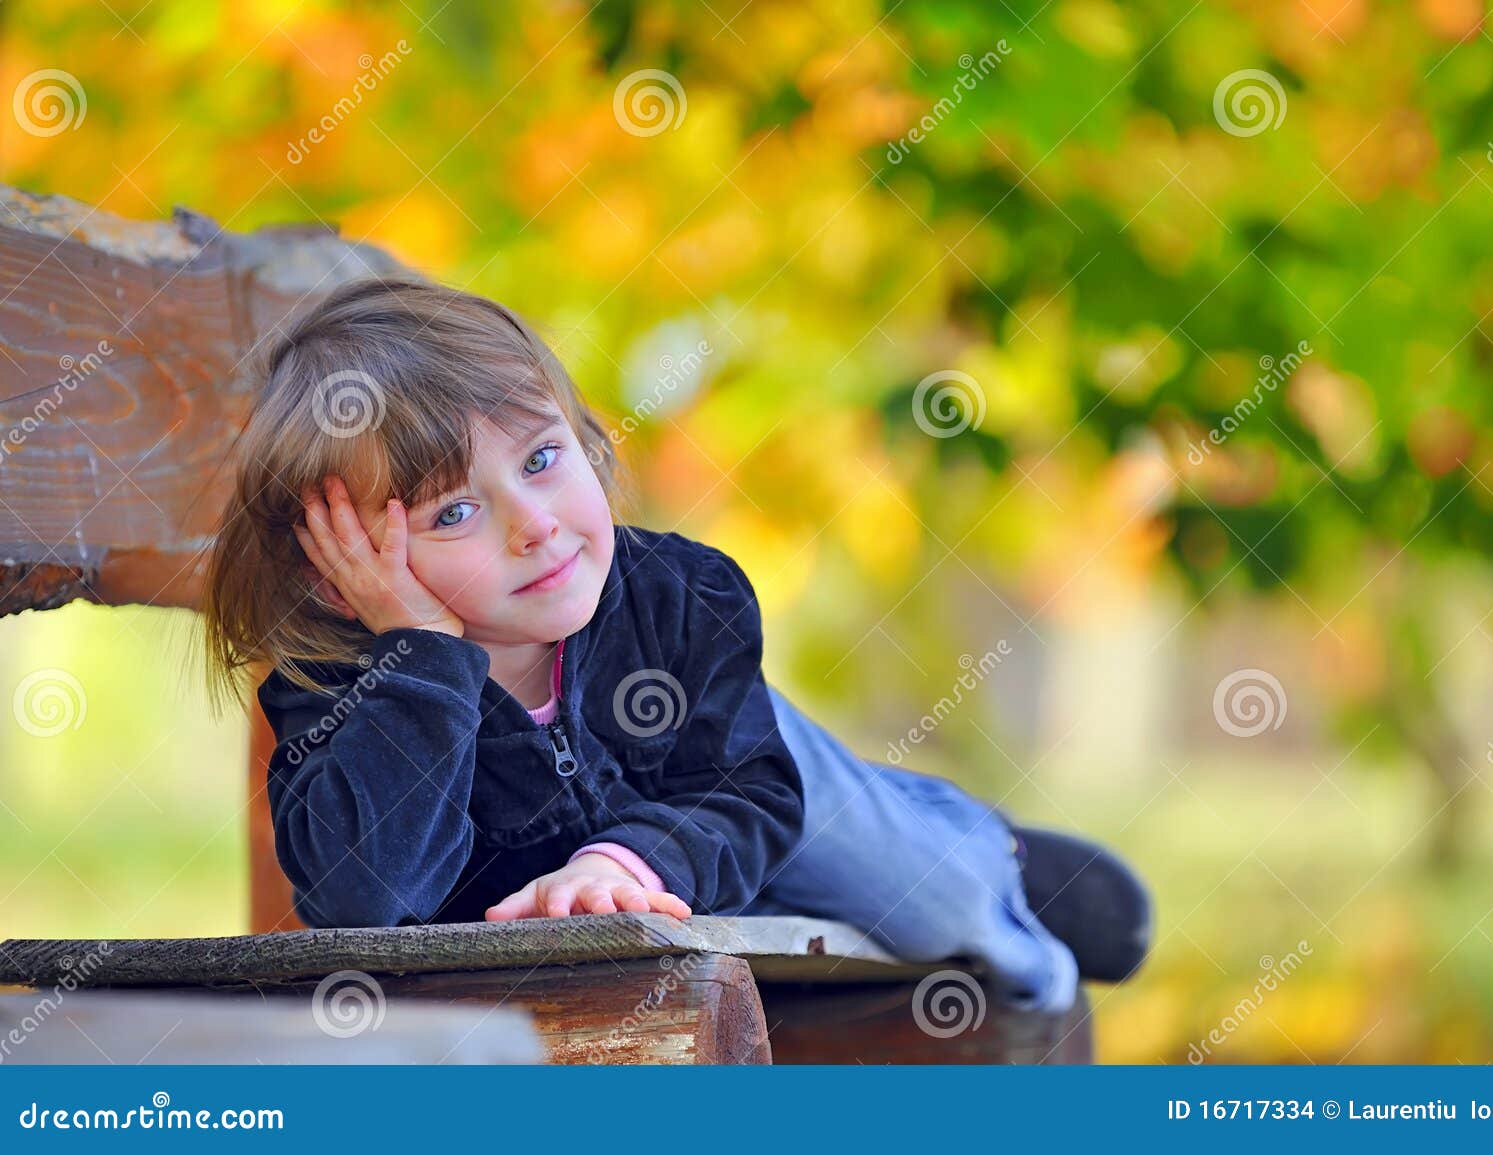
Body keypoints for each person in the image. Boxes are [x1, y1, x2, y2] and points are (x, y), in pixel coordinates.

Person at [201, 277, 1150, 1014]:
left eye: (542, 459)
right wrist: (421, 657)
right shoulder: (339, 692)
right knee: (810, 916)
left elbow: (746, 790)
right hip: (657, 886)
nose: (535, 525)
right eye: (454, 511)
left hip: (721, 789)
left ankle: (1004, 875)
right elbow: (364, 905)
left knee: (931, 898)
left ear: (584, 437)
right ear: (343, 571)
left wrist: (627, 861)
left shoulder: (679, 597)